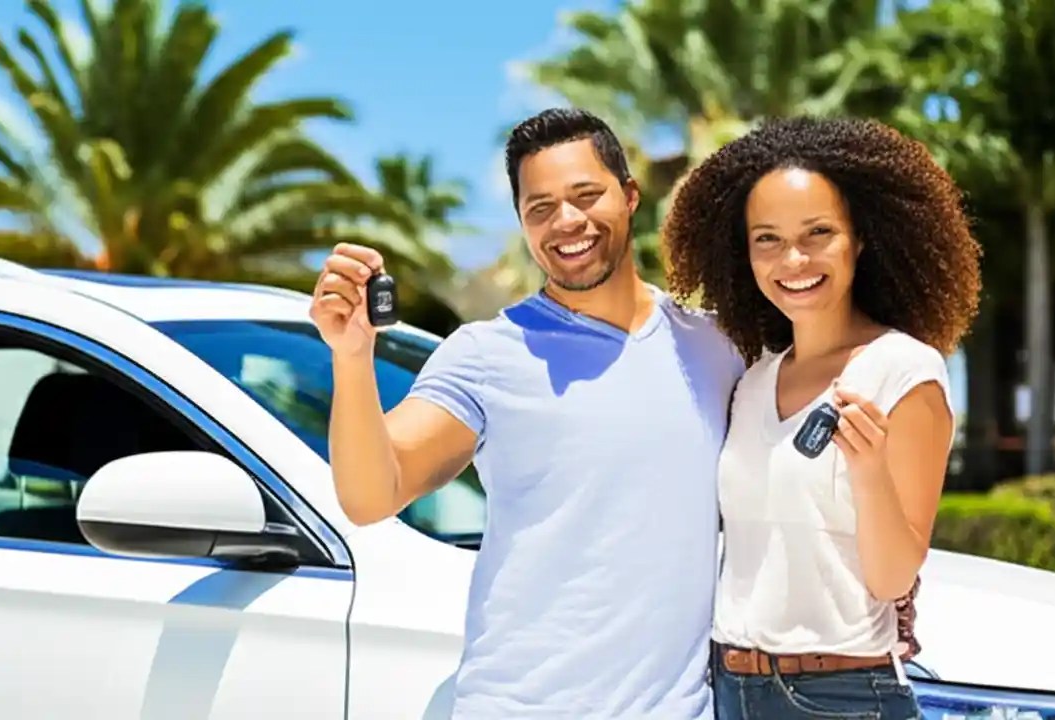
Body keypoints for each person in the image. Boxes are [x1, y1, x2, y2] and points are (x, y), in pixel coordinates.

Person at [309, 107, 745, 718]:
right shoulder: (487, 354)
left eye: (585, 195)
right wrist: (352, 358)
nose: (566, 221)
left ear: (629, 196)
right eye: (539, 207)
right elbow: (371, 494)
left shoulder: (715, 346)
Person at [660, 115, 982, 719]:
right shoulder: (753, 380)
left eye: (818, 233)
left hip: (841, 696)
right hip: (729, 685)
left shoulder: (905, 371)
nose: (794, 259)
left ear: (859, 238)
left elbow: (891, 580)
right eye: (768, 239)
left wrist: (867, 471)